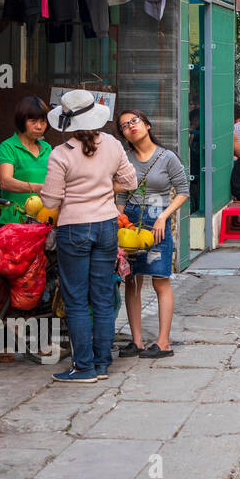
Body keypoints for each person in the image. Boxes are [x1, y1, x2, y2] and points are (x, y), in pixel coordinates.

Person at [39, 90, 137, 383]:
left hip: (75, 229)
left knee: (77, 300)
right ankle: (102, 364)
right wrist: (105, 188)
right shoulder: (112, 144)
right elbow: (129, 181)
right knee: (103, 296)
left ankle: (83, 367)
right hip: (107, 225)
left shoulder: (61, 154)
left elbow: (50, 203)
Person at [115, 110, 189, 359]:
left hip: (157, 220)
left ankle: (163, 342)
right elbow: (123, 194)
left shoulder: (167, 157)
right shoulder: (125, 159)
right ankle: (136, 341)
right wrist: (119, 220)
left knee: (160, 280)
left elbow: (183, 191)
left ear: (147, 125)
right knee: (132, 280)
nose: (131, 126)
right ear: (123, 135)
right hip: (131, 221)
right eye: (125, 125)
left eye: (134, 121)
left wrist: (163, 216)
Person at [0, 96, 52, 225]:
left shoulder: (47, 148)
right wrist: (37, 188)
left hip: (43, 222)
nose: (39, 127)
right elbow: (5, 182)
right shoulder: (8, 147)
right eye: (33, 121)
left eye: (43, 122)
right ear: (22, 120)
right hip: (15, 223)